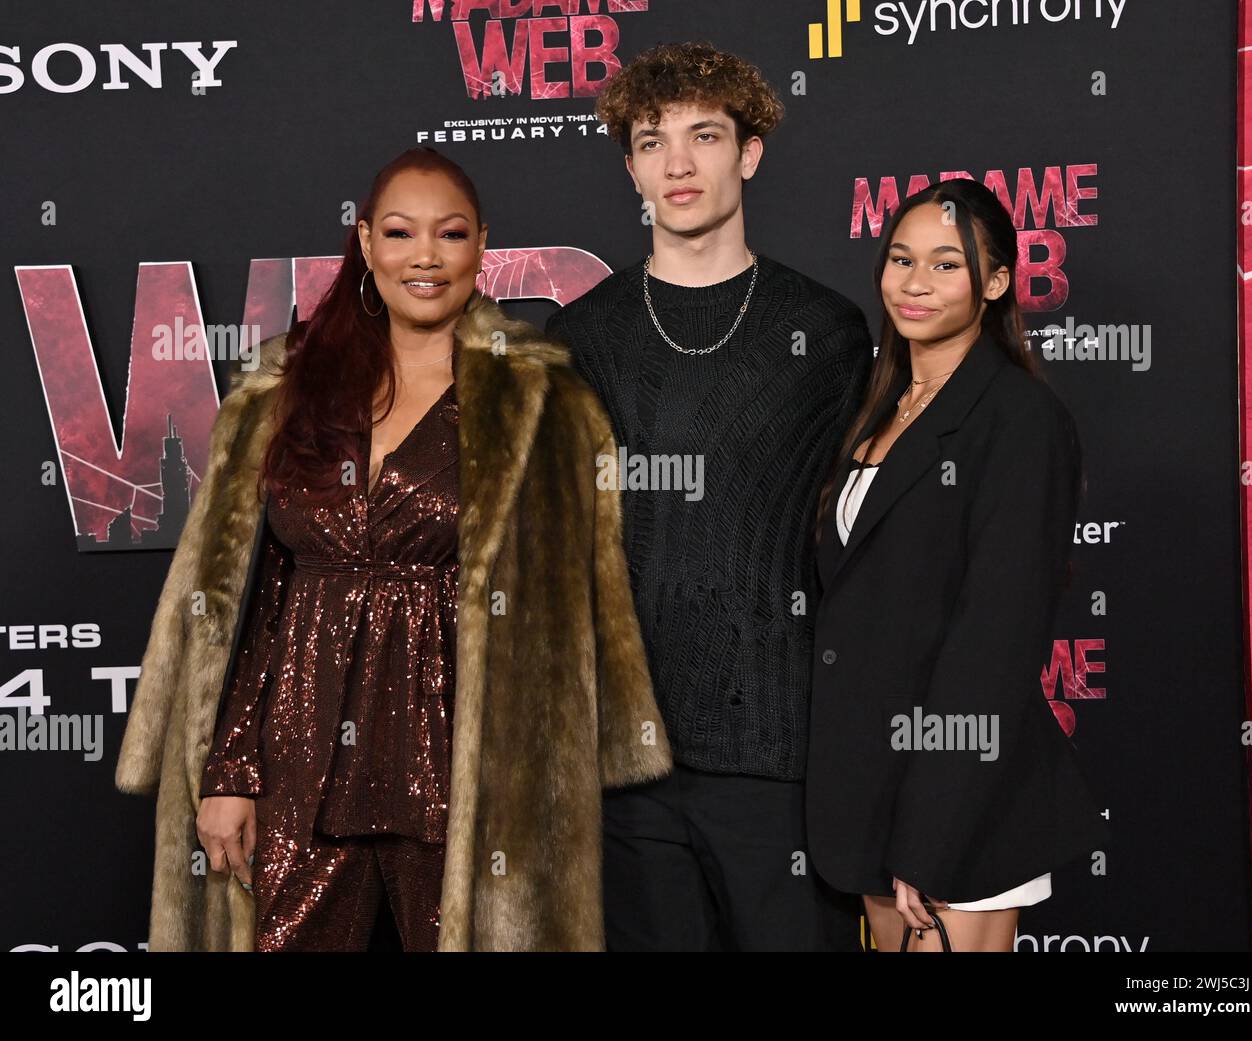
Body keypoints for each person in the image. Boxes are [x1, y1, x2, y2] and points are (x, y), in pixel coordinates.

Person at [114, 146, 671, 951]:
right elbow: (252, 601)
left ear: (483, 246)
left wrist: (540, 788)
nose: (425, 256)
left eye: (449, 234)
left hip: (464, 762)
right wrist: (231, 768)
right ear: (366, 241)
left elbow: (573, 614)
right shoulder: (287, 390)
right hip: (300, 752)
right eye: (402, 233)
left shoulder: (544, 405)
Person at [545, 42, 870, 951]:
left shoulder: (826, 332)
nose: (679, 164)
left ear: (750, 153)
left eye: (705, 135)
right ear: (631, 166)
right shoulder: (583, 334)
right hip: (628, 763)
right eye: (653, 142)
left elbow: (862, 548)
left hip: (785, 755)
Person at [805, 178, 1111, 952]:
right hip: (874, 793)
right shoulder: (879, 407)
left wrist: (931, 835)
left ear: (998, 281)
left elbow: (996, 641)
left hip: (959, 805)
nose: (914, 282)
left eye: (946, 264)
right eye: (901, 258)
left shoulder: (1018, 419)